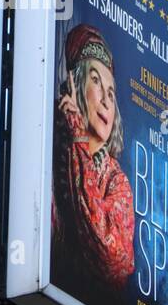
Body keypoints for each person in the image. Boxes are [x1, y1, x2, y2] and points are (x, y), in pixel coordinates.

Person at [53, 24, 135, 289]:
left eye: (111, 93)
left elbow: (111, 258)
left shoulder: (116, 181)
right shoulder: (52, 153)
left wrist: (78, 134)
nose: (106, 101)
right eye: (96, 82)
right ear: (76, 85)